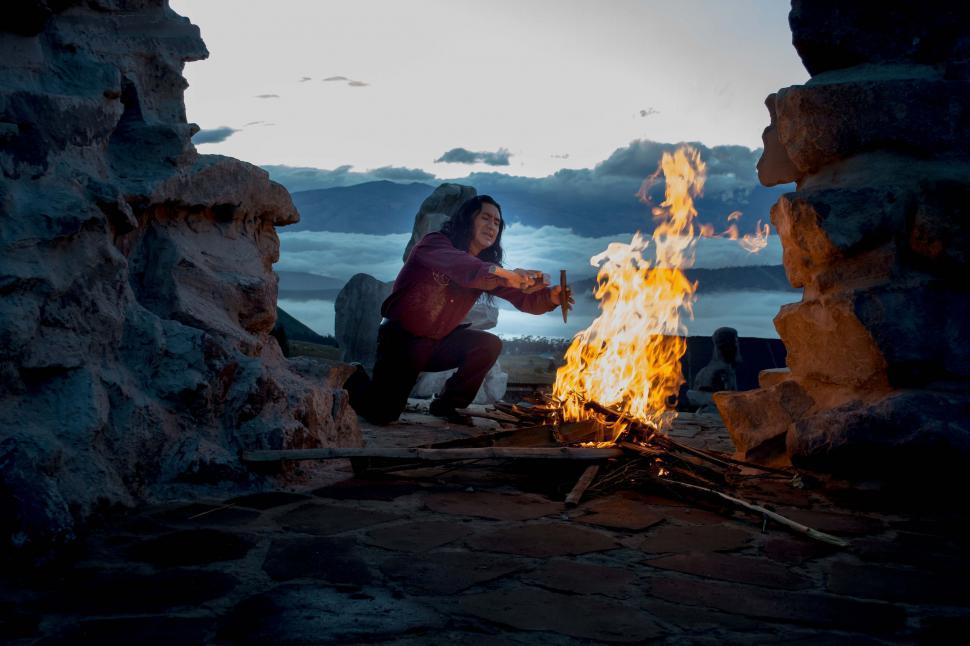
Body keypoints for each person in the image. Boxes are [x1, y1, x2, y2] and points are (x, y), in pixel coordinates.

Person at [344, 194, 572, 425]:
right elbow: (463, 267)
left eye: (496, 222)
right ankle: (352, 376)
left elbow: (523, 299)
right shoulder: (435, 244)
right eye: (485, 218)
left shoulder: (486, 268)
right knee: (381, 414)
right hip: (402, 342)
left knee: (488, 345)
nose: (492, 226)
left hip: (438, 344)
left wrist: (550, 298)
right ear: (467, 219)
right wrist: (508, 275)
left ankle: (446, 405)